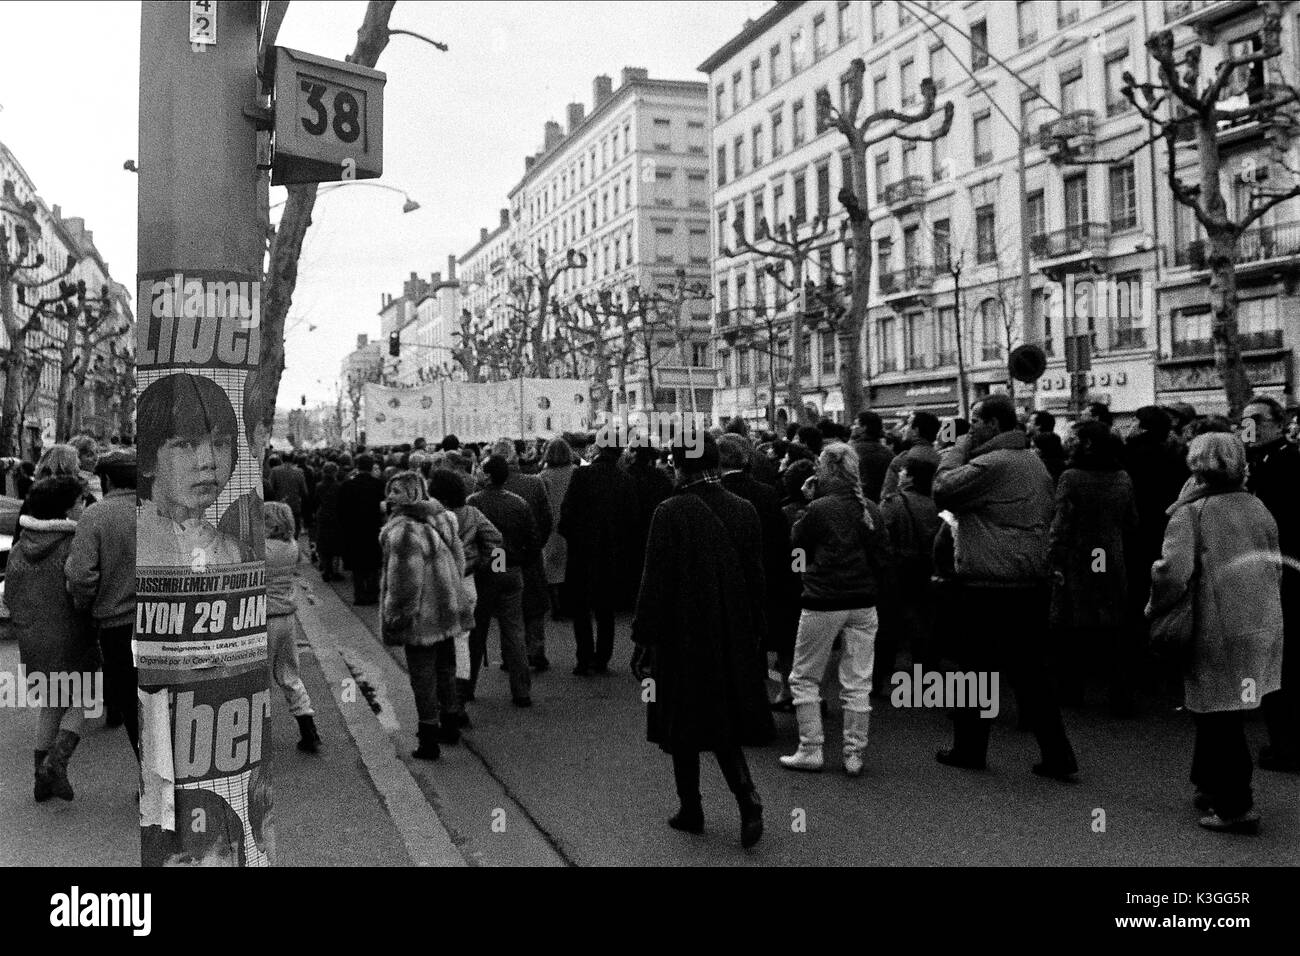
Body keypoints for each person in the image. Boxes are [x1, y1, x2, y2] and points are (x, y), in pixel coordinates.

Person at [630, 434, 770, 848]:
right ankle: (747, 797)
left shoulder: (669, 512)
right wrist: (756, 629)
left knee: (679, 721)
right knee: (721, 719)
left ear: (680, 466)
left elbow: (654, 581)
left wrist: (643, 637)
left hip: (681, 634)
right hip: (730, 632)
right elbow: (756, 575)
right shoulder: (744, 509)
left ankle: (691, 807)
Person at [932, 394, 1078, 780]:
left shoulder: (991, 463)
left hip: (988, 584)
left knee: (974, 671)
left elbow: (942, 488)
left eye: (977, 420)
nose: (972, 426)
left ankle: (969, 748)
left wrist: (957, 446)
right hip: (1028, 581)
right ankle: (1058, 754)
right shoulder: (1033, 463)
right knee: (1031, 672)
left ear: (994, 425)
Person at [1148, 433, 1283, 833]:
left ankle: (1236, 807)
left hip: (1216, 624)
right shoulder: (1257, 505)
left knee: (1218, 718)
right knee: (1227, 711)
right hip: (1260, 619)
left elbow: (1172, 571)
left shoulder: (1194, 512)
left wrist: (1154, 604)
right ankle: (1209, 784)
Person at [780, 443, 892, 776]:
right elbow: (883, 557)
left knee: (804, 677)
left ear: (824, 469)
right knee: (858, 681)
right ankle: (854, 753)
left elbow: (796, 542)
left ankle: (811, 749)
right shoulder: (869, 508)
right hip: (862, 602)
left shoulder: (820, 507)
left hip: (823, 599)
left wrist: (807, 501)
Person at [9, 476, 96, 801]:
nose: (82, 507)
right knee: (84, 700)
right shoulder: (71, 545)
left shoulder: (20, 548)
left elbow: (11, 596)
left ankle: (40, 780)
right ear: (64, 508)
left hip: (33, 641)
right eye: (77, 502)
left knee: (50, 705)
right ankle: (55, 764)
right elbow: (80, 590)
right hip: (72, 638)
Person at [381, 472, 476, 758]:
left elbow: (404, 583)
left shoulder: (403, 531)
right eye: (390, 490)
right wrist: (450, 590)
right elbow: (458, 558)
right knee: (446, 669)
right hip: (447, 609)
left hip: (421, 616)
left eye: (397, 491)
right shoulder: (442, 517)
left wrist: (397, 617)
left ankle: (428, 740)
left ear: (411, 493)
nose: (390, 496)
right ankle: (450, 723)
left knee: (422, 677)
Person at [1049, 420, 1138, 713]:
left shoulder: (1070, 477)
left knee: (1073, 626)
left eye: (1073, 437)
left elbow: (1061, 522)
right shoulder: (1123, 476)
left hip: (1079, 557)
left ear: (1087, 443)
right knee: (1113, 625)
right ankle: (1120, 693)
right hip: (1111, 556)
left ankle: (1071, 692)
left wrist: (1055, 558)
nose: (1068, 441)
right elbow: (1131, 521)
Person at [718, 435, 800, 710]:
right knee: (780, 637)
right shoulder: (767, 492)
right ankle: (786, 689)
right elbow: (781, 540)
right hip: (771, 574)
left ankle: (745, 699)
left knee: (740, 643)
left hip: (731, 579)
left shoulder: (714, 495)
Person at [65, 449, 139, 756]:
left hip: (117, 626)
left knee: (133, 706)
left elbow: (82, 574)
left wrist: (84, 605)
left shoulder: (96, 515)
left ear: (106, 480)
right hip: (163, 621)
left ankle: (153, 780)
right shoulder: (159, 511)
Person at [1242, 395, 1300, 773]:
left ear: (1278, 423)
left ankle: (1287, 745)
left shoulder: (1286, 463)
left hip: (1283, 574)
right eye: (1245, 420)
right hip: (1266, 573)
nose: (1250, 427)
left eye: (1258, 420)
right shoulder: (1253, 463)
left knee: (1284, 663)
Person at [136, 374, 248, 567]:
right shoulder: (130, 545)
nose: (208, 461)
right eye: (186, 444)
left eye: (220, 443)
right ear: (147, 460)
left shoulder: (236, 553)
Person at [558, 443, 640, 676]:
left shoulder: (581, 475)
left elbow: (567, 512)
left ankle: (584, 658)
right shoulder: (625, 480)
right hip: (611, 553)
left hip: (582, 551)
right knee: (605, 610)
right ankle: (602, 658)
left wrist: (572, 537)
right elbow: (632, 520)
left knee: (581, 609)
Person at [429, 467, 502, 727]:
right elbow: (496, 539)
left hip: (440, 584)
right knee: (462, 643)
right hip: (467, 581)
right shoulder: (472, 513)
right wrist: (485, 563)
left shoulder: (433, 517)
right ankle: (458, 703)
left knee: (438, 645)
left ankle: (442, 703)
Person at [466, 456, 536, 706]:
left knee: (476, 632)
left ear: (486, 475)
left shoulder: (474, 503)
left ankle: (467, 686)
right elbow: (533, 540)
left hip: (486, 572)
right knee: (514, 632)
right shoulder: (519, 503)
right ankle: (521, 690)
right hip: (511, 569)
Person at [485, 439, 553, 671]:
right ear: (514, 457)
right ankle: (535, 650)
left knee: (505, 605)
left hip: (498, 555)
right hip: (528, 551)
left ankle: (510, 653)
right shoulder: (534, 483)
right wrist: (536, 546)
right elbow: (546, 518)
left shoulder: (482, 492)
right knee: (534, 602)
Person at [261, 500, 321, 754]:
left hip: (264, 618)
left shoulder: (263, 549)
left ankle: (254, 735)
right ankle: (308, 727)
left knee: (257, 679)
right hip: (287, 616)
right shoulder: (291, 546)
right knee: (289, 674)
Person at [879, 455, 941, 678]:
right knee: (923, 616)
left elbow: (881, 535)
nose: (900, 475)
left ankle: (882, 670)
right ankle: (925, 666)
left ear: (911, 477)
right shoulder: (936, 504)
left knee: (890, 621)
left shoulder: (894, 503)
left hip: (898, 567)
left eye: (904, 472)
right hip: (927, 567)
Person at [338, 453, 385, 605]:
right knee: (374, 562)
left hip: (354, 529)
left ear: (357, 467)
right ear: (372, 467)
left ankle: (359, 594)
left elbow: (341, 510)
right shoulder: (379, 485)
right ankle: (373, 592)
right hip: (373, 528)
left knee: (358, 565)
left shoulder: (347, 485)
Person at [538, 438, 576, 621]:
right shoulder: (576, 472)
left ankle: (556, 607)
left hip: (551, 525)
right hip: (572, 524)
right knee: (570, 566)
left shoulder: (543, 476)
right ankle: (571, 604)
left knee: (552, 569)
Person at [880, 410, 942, 499]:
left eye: (908, 425)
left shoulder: (902, 460)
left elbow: (887, 496)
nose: (903, 429)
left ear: (916, 431)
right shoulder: (941, 458)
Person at [849, 411, 894, 503]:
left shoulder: (851, 451)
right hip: (882, 502)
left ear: (864, 428)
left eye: (856, 424)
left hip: (858, 501)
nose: (852, 428)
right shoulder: (888, 453)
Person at [313, 461, 344, 581]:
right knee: (336, 545)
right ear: (335, 472)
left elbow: (315, 501)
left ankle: (326, 570)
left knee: (324, 544)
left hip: (323, 516)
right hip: (336, 516)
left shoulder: (319, 486)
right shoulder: (339, 486)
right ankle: (336, 572)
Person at [268, 455, 309, 538]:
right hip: (294, 505)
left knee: (280, 529)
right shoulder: (299, 471)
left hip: (279, 505)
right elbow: (304, 491)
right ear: (293, 459)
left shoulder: (275, 471)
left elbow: (270, 489)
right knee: (295, 528)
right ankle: (294, 545)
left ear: (281, 459)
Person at [69, 435, 102, 503]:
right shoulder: (76, 482)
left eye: (97, 453)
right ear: (76, 459)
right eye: (89, 455)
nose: (96, 458)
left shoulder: (98, 477)